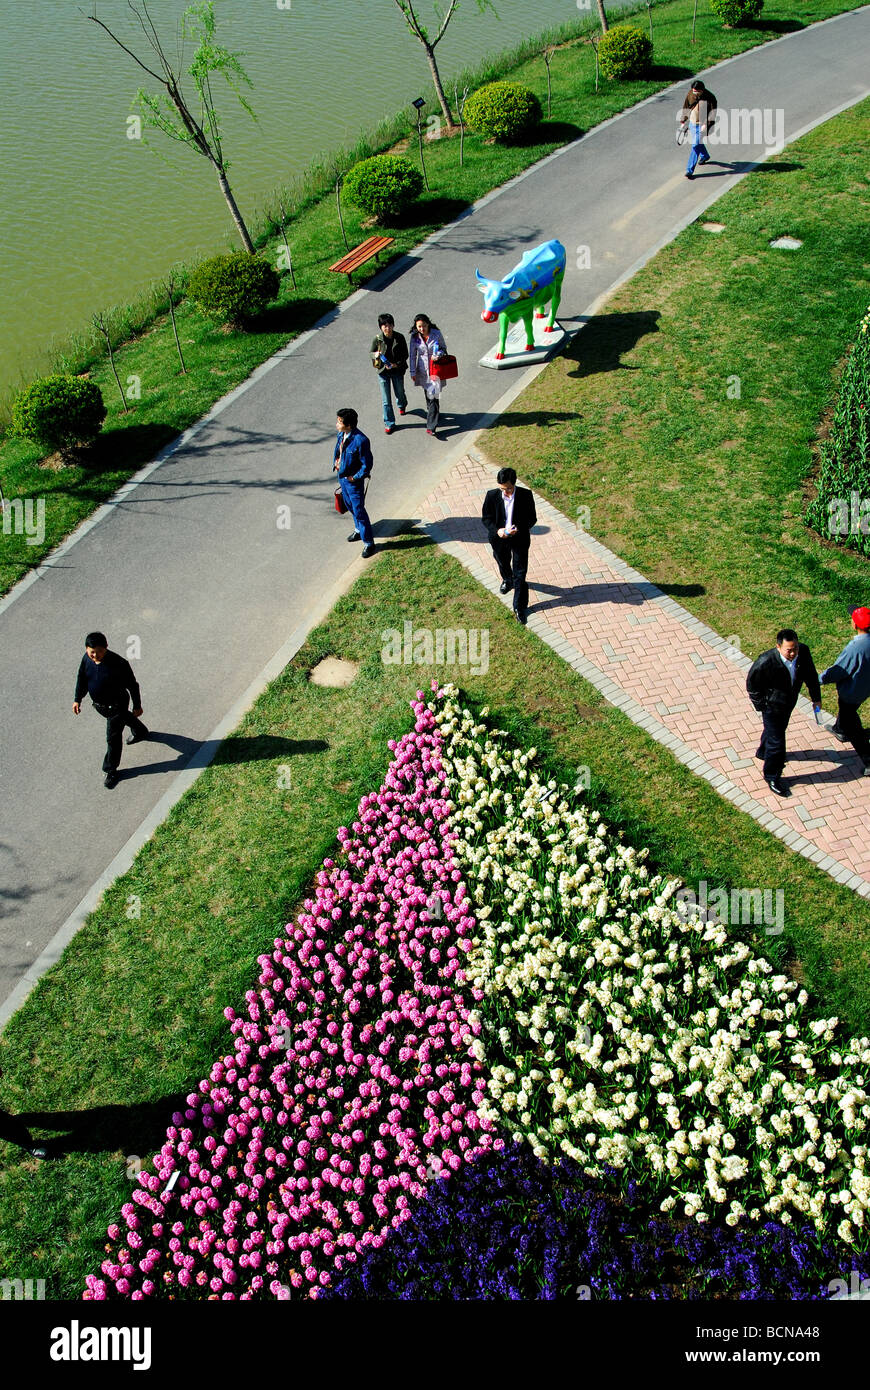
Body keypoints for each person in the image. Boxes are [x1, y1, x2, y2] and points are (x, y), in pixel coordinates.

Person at [745, 628, 821, 797]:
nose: (793, 653)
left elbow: (811, 676)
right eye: (789, 650)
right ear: (778, 647)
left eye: (795, 648)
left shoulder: (804, 652)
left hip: (788, 704)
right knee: (777, 742)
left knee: (775, 733)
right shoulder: (765, 661)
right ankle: (772, 775)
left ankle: (763, 752)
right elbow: (752, 685)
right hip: (772, 707)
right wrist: (762, 706)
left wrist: (816, 698)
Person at [73, 632, 148, 789]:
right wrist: (77, 699)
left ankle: (110, 769)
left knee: (113, 738)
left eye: (99, 651)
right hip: (101, 706)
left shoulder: (119, 664)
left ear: (106, 648)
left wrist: (137, 705)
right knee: (123, 719)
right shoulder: (86, 659)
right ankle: (140, 731)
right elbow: (82, 678)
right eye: (92, 651)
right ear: (87, 649)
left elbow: (133, 685)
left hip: (117, 706)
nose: (95, 655)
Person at [482, 467, 537, 626]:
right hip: (499, 538)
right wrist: (497, 530)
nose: (505, 492)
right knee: (502, 561)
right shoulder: (491, 496)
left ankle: (519, 607)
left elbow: (532, 519)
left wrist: (517, 529)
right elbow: (486, 518)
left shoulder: (526, 495)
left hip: (519, 538)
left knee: (520, 572)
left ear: (514, 483)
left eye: (508, 488)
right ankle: (507, 579)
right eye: (502, 489)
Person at [819, 605, 870, 775]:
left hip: (852, 692)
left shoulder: (856, 647)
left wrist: (817, 680)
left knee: (854, 729)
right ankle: (840, 729)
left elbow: (839, 670)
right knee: (847, 711)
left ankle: (868, 760)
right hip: (865, 688)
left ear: (854, 625)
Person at [333, 407, 375, 559]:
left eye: (340, 422)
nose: (337, 425)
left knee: (359, 510)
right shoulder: (341, 435)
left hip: (353, 482)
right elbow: (338, 451)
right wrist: (336, 462)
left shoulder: (361, 440)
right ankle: (359, 530)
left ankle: (369, 543)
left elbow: (367, 464)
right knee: (349, 505)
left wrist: (356, 477)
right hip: (342, 478)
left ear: (349, 425)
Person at [409, 313, 448, 436]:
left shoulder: (436, 333)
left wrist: (439, 354)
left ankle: (431, 425)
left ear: (428, 324)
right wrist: (412, 371)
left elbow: (444, 348)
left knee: (433, 397)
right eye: (419, 327)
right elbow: (412, 355)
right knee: (428, 394)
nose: (422, 329)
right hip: (423, 371)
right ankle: (434, 413)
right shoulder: (414, 337)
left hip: (436, 370)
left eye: (424, 326)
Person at [370, 313, 408, 435]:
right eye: (384, 326)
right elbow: (371, 352)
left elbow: (405, 355)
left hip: (396, 370)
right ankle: (389, 423)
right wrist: (375, 355)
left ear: (393, 325)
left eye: (389, 325)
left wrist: (396, 364)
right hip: (383, 372)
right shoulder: (377, 339)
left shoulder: (399, 338)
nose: (387, 328)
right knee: (386, 400)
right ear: (380, 327)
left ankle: (402, 405)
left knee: (399, 392)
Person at [679, 78, 717, 180]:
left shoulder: (710, 98)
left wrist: (706, 124)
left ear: (701, 90)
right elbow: (686, 106)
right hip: (692, 123)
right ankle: (705, 156)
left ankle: (689, 170)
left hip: (701, 125)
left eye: (696, 91)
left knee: (695, 145)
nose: (694, 93)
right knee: (698, 143)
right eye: (693, 91)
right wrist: (683, 121)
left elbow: (712, 113)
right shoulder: (691, 93)